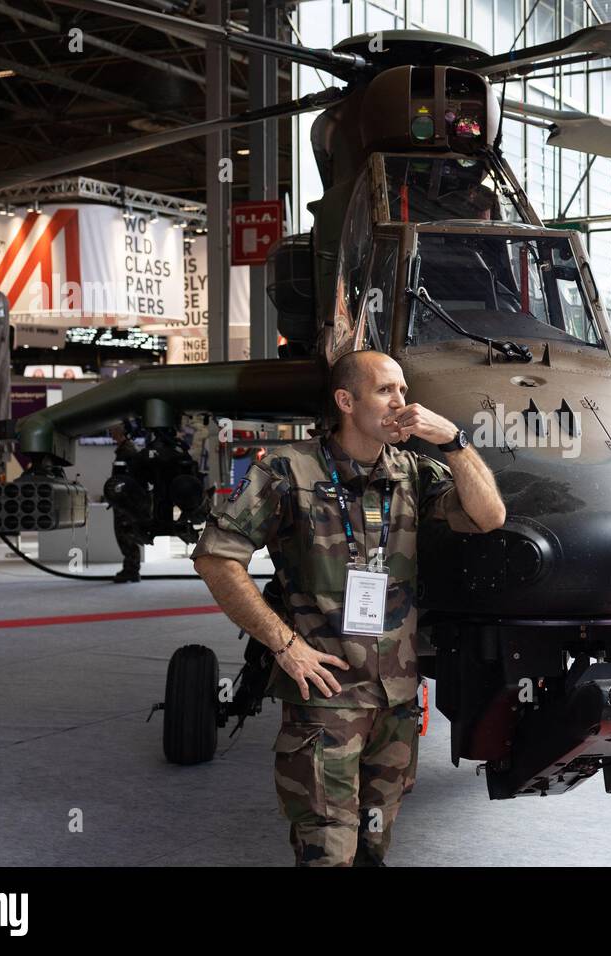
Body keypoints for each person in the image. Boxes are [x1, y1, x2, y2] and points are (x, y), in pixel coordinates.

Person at [192, 350, 505, 866]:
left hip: (396, 700)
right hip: (326, 698)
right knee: (328, 852)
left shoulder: (412, 471)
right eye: (386, 391)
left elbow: (489, 515)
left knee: (374, 850)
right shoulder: (288, 470)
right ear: (345, 400)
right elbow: (217, 558)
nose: (401, 403)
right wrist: (286, 646)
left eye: (404, 391)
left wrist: (453, 440)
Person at [108, 422, 148, 584]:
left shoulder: (127, 452)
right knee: (125, 536)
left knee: (126, 536)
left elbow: (127, 479)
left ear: (119, 434)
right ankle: (131, 569)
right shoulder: (126, 450)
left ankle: (131, 570)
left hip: (126, 504)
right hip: (125, 502)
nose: (111, 435)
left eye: (113, 432)